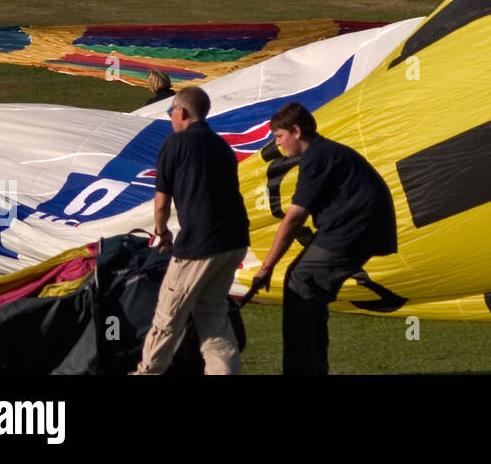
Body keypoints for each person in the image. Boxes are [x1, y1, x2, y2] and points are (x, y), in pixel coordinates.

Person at [250, 102, 397, 375]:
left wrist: (266, 267)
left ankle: (302, 369)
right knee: (305, 286)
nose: (278, 145)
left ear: (296, 131)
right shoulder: (320, 153)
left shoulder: (317, 157)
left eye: (279, 137)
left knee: (300, 282)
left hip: (354, 229)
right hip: (353, 228)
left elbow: (294, 218)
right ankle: (312, 366)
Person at [133, 86, 249, 375]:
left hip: (200, 244)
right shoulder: (221, 146)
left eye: (171, 111)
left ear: (181, 111)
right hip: (234, 240)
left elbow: (162, 204)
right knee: (213, 313)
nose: (171, 117)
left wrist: (162, 232)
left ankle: (147, 372)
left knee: (168, 315)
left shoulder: (176, 144)